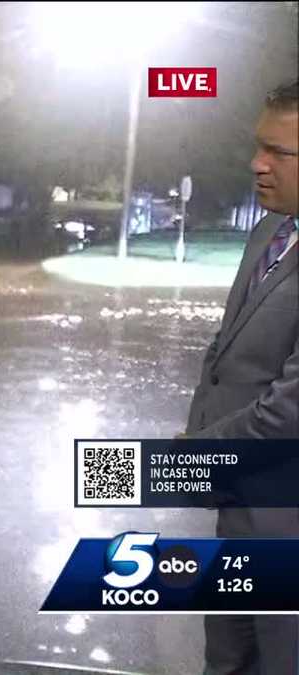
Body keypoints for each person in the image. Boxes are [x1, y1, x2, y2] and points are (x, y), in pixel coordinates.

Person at [182, 78, 298, 675]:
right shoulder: (268, 232)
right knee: (226, 661)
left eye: (278, 152)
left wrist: (196, 456)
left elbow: (287, 412)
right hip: (239, 503)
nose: (257, 164)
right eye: (258, 145)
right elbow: (224, 355)